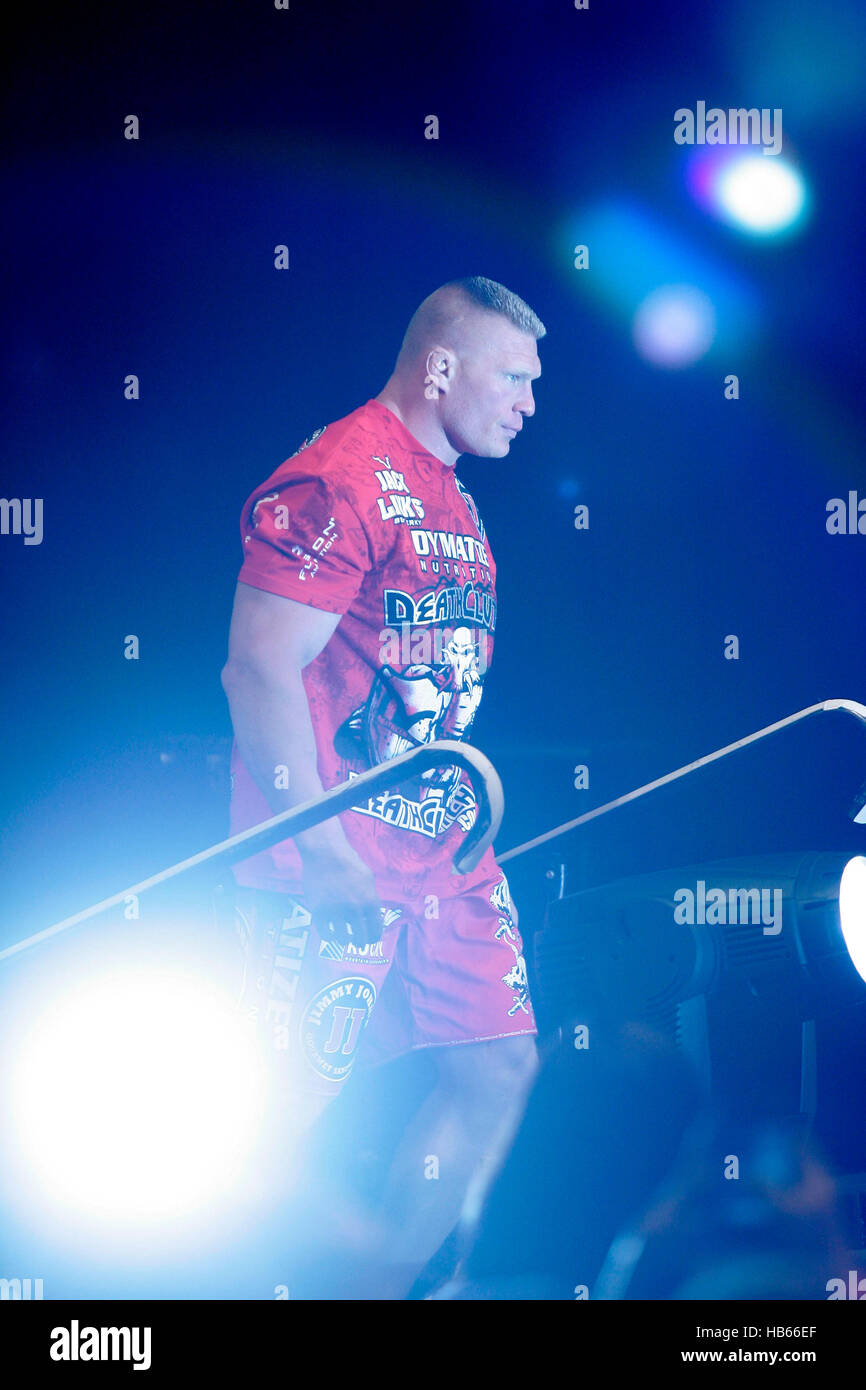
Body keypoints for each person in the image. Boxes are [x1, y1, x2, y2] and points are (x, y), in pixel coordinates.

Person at [220, 275, 544, 1297]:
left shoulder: (452, 490)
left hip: (442, 850)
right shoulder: (338, 474)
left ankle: (376, 1293)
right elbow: (258, 668)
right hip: (333, 845)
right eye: (514, 376)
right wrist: (318, 843)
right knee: (287, 1105)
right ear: (441, 365)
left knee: (499, 1065)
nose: (529, 401)